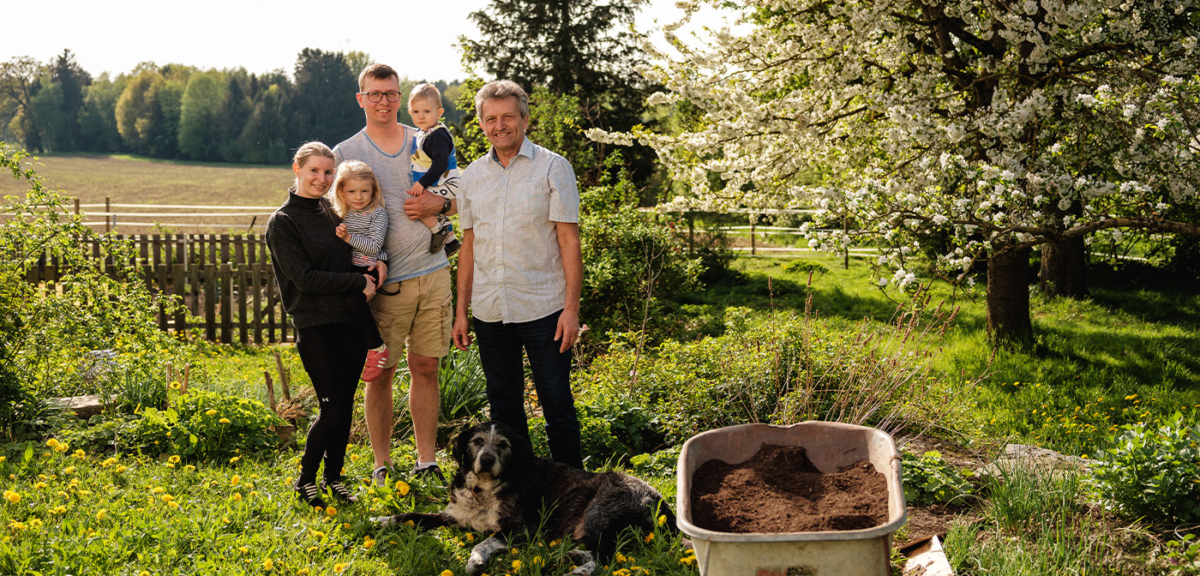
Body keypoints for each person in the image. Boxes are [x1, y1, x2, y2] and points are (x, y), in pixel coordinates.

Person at [452, 80, 585, 469]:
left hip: (544, 308)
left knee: (557, 403)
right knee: (505, 412)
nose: (500, 125)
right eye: (490, 118)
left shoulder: (553, 167)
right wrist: (462, 310)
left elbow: (569, 242)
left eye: (508, 116)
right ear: (481, 125)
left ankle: (572, 489)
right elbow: (470, 246)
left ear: (525, 119)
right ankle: (520, 493)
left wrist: (571, 309)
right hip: (491, 312)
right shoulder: (472, 177)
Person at [333, 64, 455, 485]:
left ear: (400, 97)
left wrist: (438, 207)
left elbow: (459, 195)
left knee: (426, 368)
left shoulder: (425, 138)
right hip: (383, 286)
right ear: (360, 98)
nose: (383, 101)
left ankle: (426, 462)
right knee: (380, 372)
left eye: (390, 93)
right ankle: (381, 465)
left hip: (434, 272)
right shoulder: (344, 153)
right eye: (374, 93)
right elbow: (325, 216)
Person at [266, 142, 376, 508]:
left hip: (351, 325)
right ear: (296, 169)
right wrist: (357, 283)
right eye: (314, 170)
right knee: (330, 408)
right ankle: (306, 479)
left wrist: (375, 269)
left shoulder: (333, 213)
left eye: (328, 172)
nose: (322, 178)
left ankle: (334, 478)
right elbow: (305, 279)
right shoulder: (283, 222)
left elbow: (355, 257)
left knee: (344, 406)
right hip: (315, 326)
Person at [328, 160, 390, 381]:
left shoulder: (377, 214)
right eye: (352, 191)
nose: (359, 197)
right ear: (341, 192)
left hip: (368, 267)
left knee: (354, 302)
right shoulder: (338, 212)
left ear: (373, 191)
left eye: (365, 191)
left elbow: (374, 247)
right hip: (348, 270)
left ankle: (377, 346)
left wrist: (348, 238)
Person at [406, 83, 462, 255]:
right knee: (422, 205)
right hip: (437, 183)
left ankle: (439, 231)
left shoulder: (438, 135)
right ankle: (451, 242)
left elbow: (440, 163)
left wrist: (422, 183)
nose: (420, 116)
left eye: (426, 111)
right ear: (410, 112)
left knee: (418, 205)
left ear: (439, 113)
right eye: (416, 112)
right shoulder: (422, 133)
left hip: (446, 182)